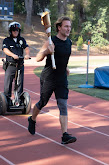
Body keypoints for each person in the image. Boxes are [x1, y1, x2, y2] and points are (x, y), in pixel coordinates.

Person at [27, 16, 77, 144]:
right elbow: (38, 58)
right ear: (59, 27)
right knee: (43, 102)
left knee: (63, 105)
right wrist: (46, 52)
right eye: (66, 26)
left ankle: (64, 135)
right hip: (49, 76)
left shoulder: (69, 42)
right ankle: (32, 119)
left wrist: (65, 68)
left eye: (70, 26)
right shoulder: (51, 41)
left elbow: (63, 58)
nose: (68, 29)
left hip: (61, 78)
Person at [2, 22, 30, 105]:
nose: (15, 32)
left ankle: (19, 100)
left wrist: (27, 54)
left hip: (20, 65)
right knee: (8, 83)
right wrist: (13, 55)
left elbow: (26, 47)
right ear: (10, 31)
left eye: (17, 30)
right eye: (14, 30)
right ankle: (7, 100)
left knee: (19, 83)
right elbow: (5, 49)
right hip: (11, 65)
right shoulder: (6, 40)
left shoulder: (21, 40)